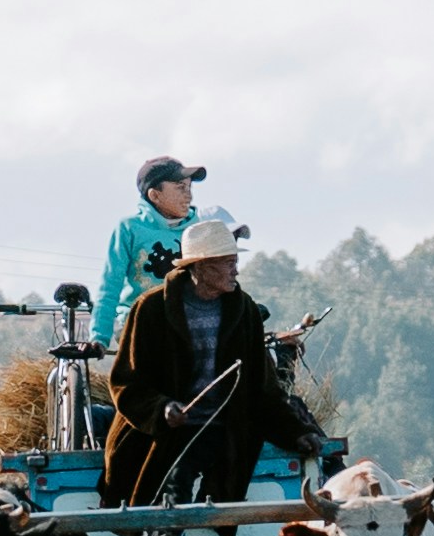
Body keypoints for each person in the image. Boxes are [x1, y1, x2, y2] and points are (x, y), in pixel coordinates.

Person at [103, 209, 323, 514]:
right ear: (202, 267)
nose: (236, 272)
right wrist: (162, 408)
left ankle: (181, 532)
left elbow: (264, 390)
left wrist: (297, 432)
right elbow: (127, 382)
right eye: (229, 264)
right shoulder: (150, 310)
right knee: (173, 476)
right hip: (165, 431)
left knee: (212, 463)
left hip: (224, 426)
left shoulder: (243, 310)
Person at [94, 155, 203, 342]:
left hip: (185, 322)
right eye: (180, 188)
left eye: (189, 187)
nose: (189, 195)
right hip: (138, 321)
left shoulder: (197, 229)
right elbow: (110, 285)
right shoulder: (130, 229)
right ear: (155, 195)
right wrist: (99, 338)